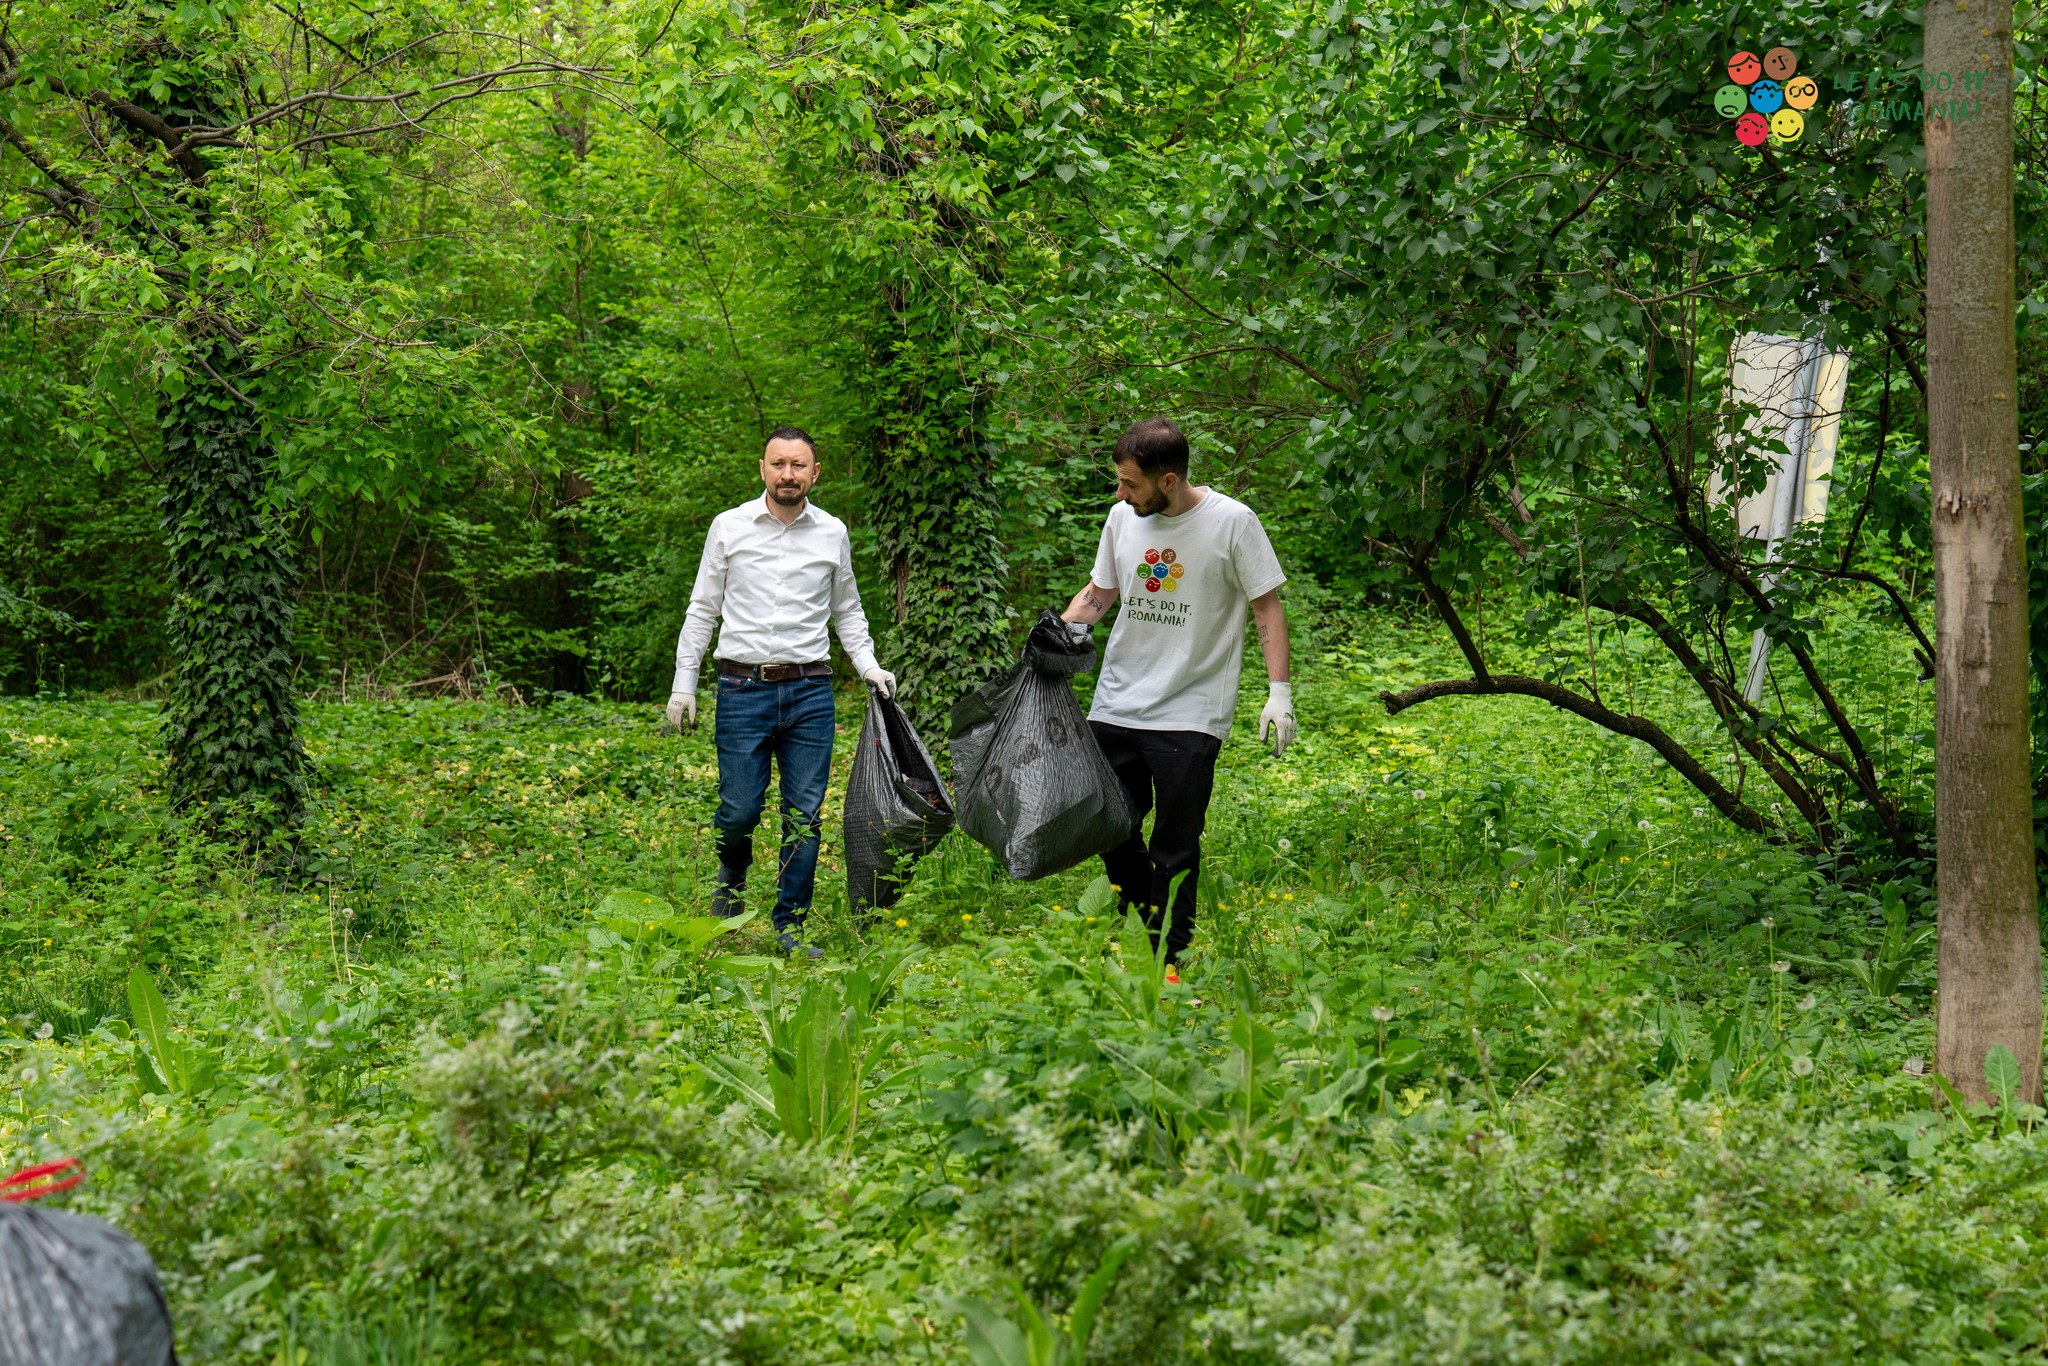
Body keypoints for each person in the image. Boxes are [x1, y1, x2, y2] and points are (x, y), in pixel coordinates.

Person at [1060, 417, 1295, 984]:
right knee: (1107, 824)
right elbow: (1102, 591)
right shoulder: (1122, 519)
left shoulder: (1233, 523)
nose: (1120, 493)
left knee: (1175, 843)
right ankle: (1146, 920)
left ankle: (1169, 959)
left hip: (1192, 710)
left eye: (1129, 483)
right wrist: (1058, 634)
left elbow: (1267, 606)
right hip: (1117, 700)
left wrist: (1279, 692)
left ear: (1167, 480)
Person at [667, 427, 896, 956]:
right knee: (740, 809)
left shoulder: (832, 532)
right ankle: (733, 869)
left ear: (815, 473)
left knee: (804, 815)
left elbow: (848, 610)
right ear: (762, 468)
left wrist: (869, 666)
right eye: (778, 464)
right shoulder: (729, 527)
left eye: (798, 466)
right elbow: (702, 609)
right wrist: (685, 686)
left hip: (810, 692)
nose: (787, 475)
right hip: (740, 688)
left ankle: (789, 925)